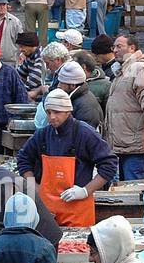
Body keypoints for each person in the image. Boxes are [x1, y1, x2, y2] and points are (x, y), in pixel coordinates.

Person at [17, 87, 116, 227]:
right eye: (48, 112)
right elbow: (23, 158)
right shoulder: (42, 135)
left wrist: (85, 190)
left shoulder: (85, 133)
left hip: (77, 211)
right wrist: (35, 186)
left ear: (68, 111)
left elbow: (109, 164)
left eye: (57, 112)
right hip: (47, 212)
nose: (51, 117)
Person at [106, 34, 144, 180]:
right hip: (127, 145)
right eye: (114, 47)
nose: (115, 50)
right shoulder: (125, 70)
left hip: (138, 147)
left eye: (119, 46)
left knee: (135, 191)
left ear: (132, 48)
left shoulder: (141, 68)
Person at [56, 58, 103, 129]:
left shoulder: (86, 107)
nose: (58, 85)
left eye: (62, 83)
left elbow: (85, 136)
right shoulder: (76, 99)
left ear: (72, 85)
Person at [0, 0, 23, 66]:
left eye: (4, 4)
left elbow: (20, 41)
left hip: (9, 61)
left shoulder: (15, 21)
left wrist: (21, 54)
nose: (2, 7)